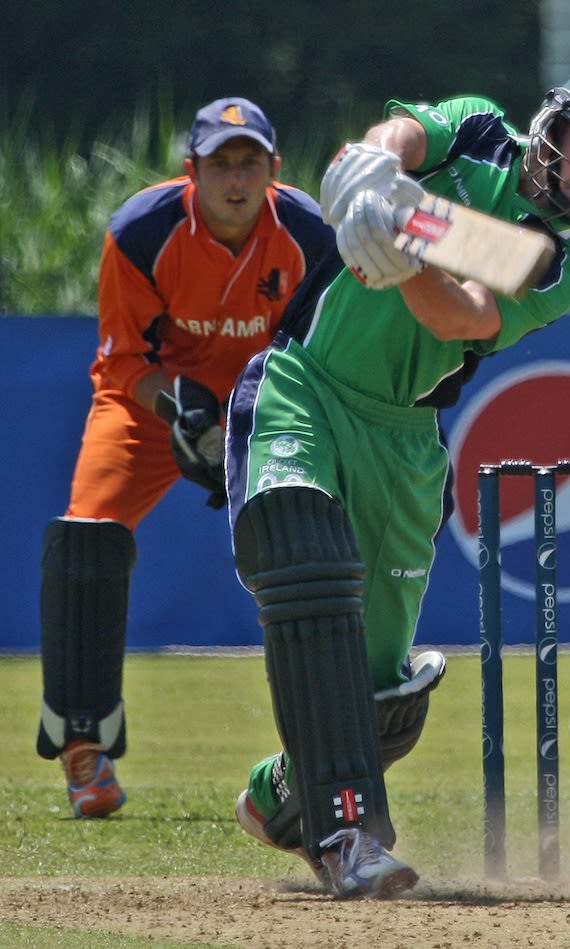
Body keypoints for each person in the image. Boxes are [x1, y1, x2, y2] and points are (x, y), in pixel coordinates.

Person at [226, 63, 570, 898]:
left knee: (383, 701)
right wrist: (373, 168)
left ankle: (279, 792)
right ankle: (349, 836)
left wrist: (401, 246)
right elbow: (402, 138)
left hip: (404, 445)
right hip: (305, 384)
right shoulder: (474, 131)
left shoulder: (547, 264)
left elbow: (458, 315)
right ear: (555, 124)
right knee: (303, 553)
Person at [36, 97, 336, 818]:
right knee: (86, 539)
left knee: (318, 548)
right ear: (191, 170)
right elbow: (123, 358)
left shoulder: (308, 233)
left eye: (250, 163)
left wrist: (246, 415)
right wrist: (186, 409)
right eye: (220, 164)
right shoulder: (141, 230)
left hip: (272, 398)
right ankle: (85, 748)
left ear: (275, 170)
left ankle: (331, 755)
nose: (235, 180)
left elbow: (324, 352)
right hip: (153, 401)